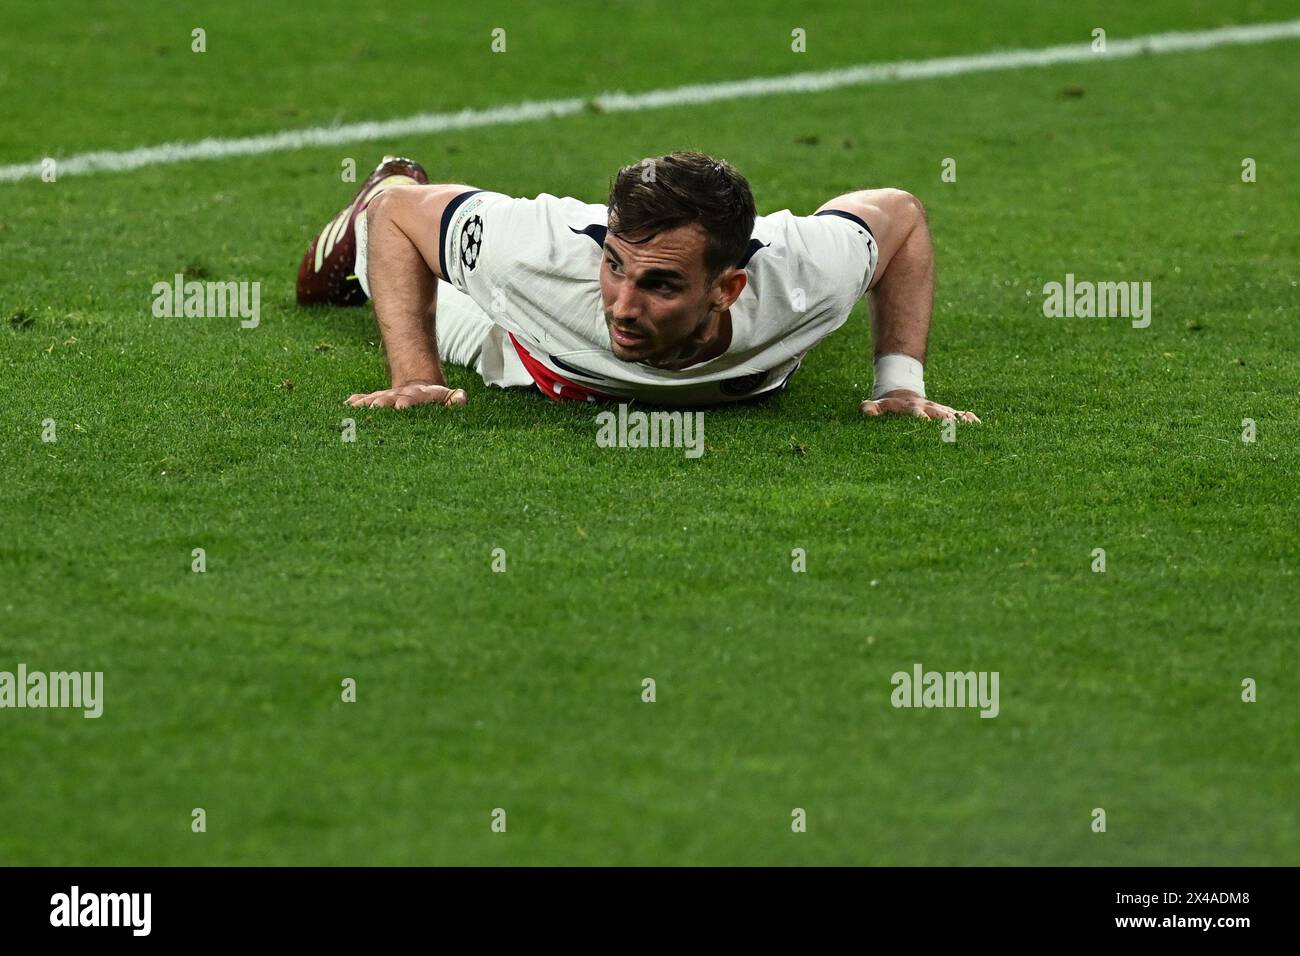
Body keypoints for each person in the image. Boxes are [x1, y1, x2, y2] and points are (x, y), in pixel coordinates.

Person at [296, 152, 979, 421]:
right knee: (385, 245)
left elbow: (902, 216)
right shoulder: (540, 255)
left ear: (728, 289)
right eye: (616, 266)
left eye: (660, 285)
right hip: (526, 345)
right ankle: (361, 209)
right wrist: (415, 376)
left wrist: (899, 385)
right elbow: (402, 220)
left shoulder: (806, 277)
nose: (622, 306)